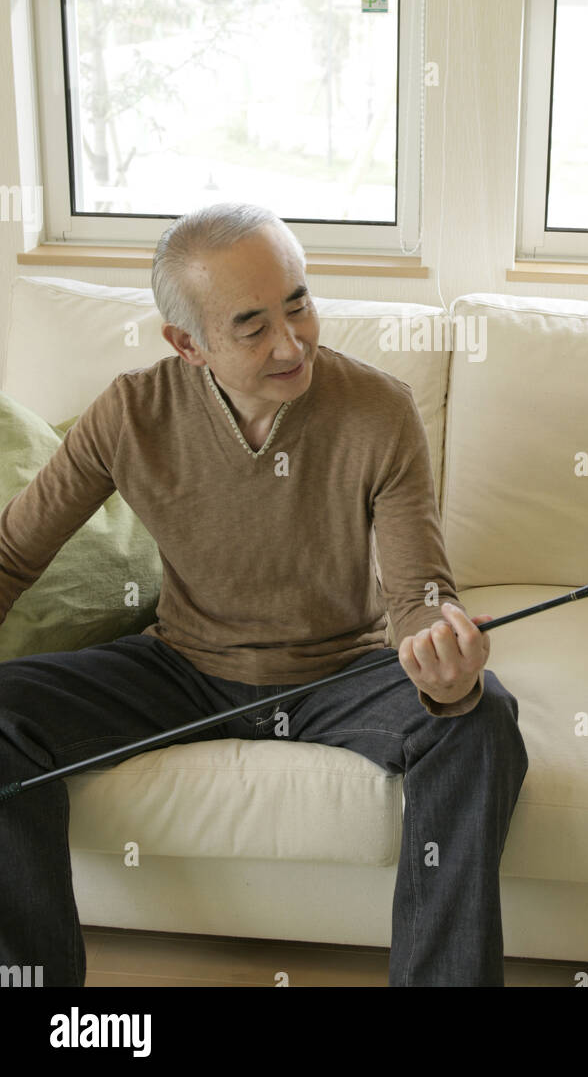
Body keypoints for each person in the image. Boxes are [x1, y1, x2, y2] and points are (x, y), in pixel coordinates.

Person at [0, 202, 529, 988]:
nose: (292, 342)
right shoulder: (130, 414)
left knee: (479, 719)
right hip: (181, 668)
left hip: (341, 675)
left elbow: (418, 594)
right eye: (252, 326)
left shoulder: (378, 409)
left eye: (300, 304)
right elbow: (14, 555)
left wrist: (438, 654)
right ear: (189, 344)